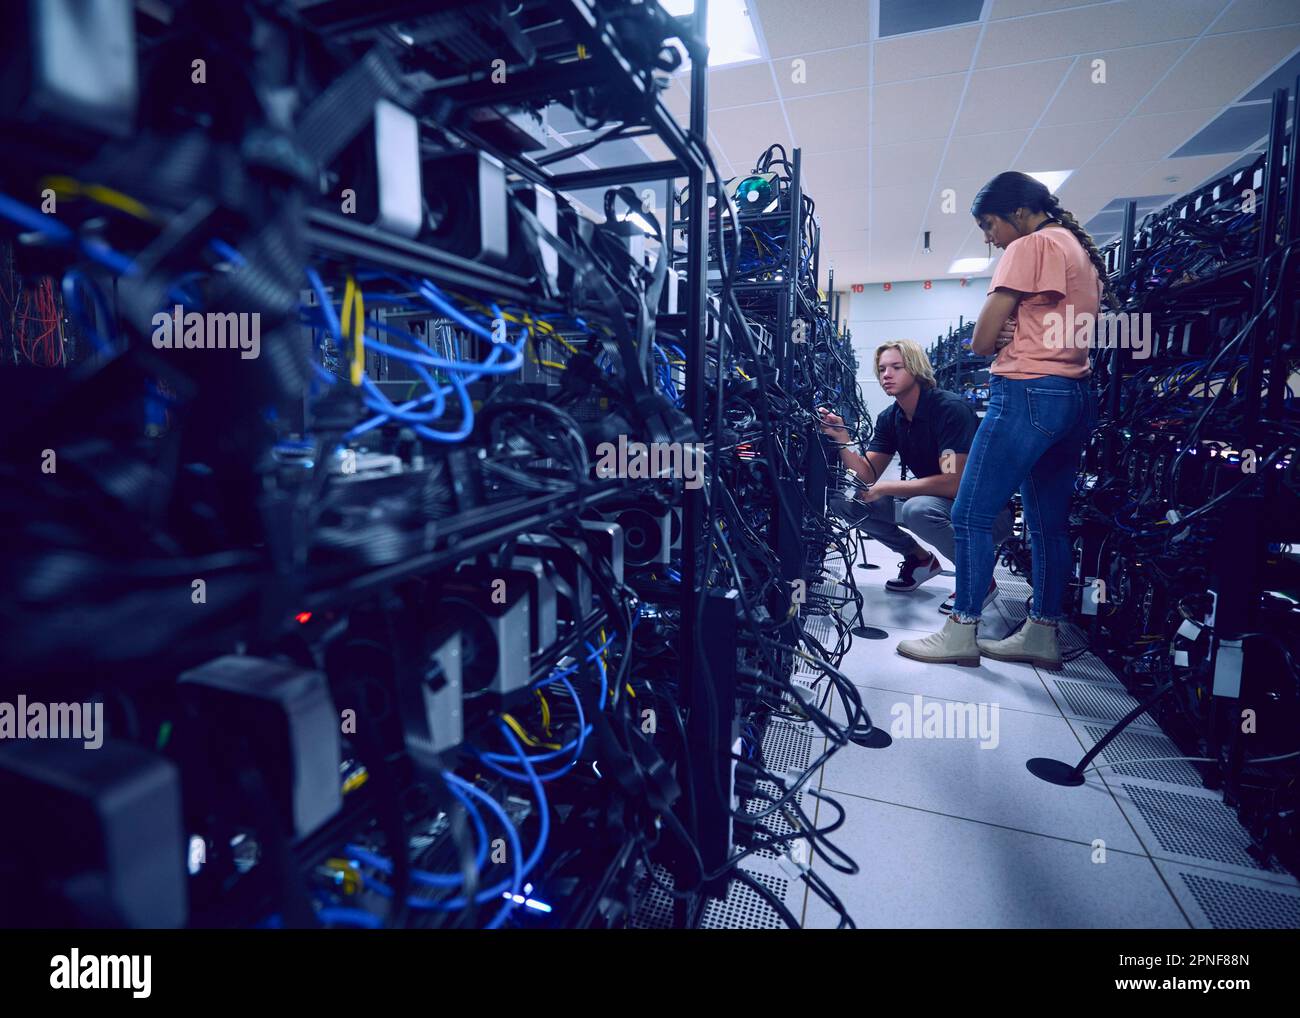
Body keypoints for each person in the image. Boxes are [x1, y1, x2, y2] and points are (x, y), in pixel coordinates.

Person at [897, 171, 1106, 669]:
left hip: (1025, 392)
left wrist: (1004, 331)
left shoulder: (1029, 246)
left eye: (989, 225)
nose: (989, 239)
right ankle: (1042, 632)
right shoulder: (1075, 249)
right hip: (1073, 396)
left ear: (1017, 213)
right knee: (1048, 526)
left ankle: (962, 630)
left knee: (967, 514)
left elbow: (980, 340)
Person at [818, 339, 1011, 613]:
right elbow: (867, 475)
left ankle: (978, 579)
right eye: (882, 368)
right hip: (939, 503)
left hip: (985, 513)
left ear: (917, 369)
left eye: (896, 367)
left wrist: (887, 488)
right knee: (846, 501)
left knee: (918, 509)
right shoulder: (891, 417)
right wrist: (843, 437)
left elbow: (953, 483)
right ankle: (919, 560)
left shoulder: (949, 410)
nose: (886, 374)